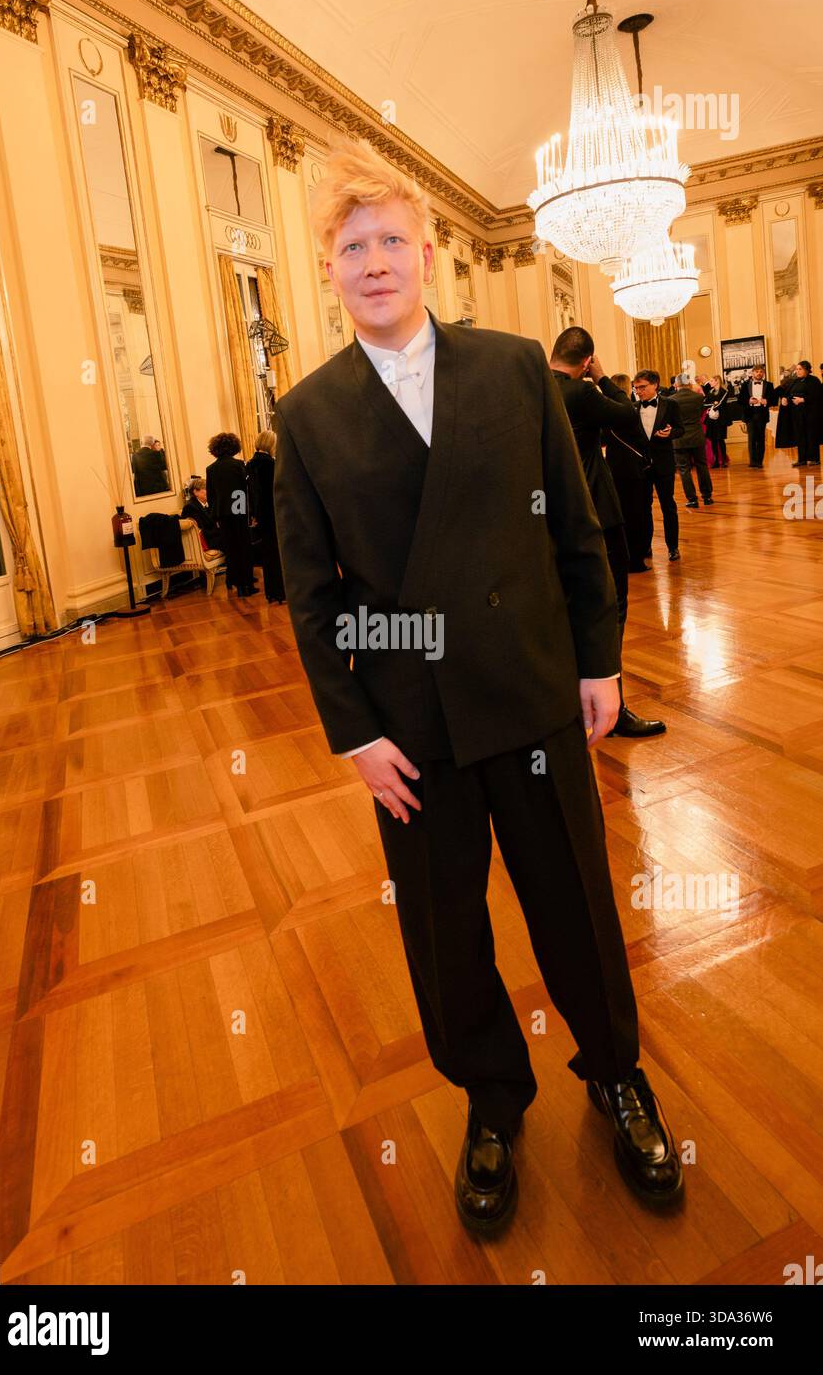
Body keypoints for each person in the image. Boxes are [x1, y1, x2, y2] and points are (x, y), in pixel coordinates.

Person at [272, 136, 682, 1235]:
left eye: (391, 239)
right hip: (412, 730)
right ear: (329, 269)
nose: (373, 260)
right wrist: (352, 734)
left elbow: (581, 531)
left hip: (533, 692)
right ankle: (492, 1100)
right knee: (444, 933)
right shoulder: (306, 416)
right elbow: (312, 598)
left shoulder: (509, 369)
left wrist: (598, 658)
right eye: (351, 245)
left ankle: (613, 1072)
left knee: (578, 907)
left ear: (428, 253)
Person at [550, 329, 666, 739]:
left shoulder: (535, 387)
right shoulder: (583, 393)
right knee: (610, 607)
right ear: (586, 360)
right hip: (594, 511)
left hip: (548, 517)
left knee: (564, 611)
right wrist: (600, 379)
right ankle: (612, 709)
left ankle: (570, 708)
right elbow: (630, 419)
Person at [632, 370, 683, 561]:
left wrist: (670, 433)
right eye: (636, 388)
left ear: (655, 385)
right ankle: (645, 546)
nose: (639, 391)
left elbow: (680, 429)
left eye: (642, 387)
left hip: (663, 463)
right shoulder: (633, 407)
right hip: (641, 465)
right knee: (643, 507)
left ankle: (673, 547)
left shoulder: (671, 404)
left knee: (668, 506)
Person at [604, 373, 653, 571]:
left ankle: (620, 557)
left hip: (614, 468)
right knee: (636, 515)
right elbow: (641, 440)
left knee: (620, 514)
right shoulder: (630, 411)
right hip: (633, 469)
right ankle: (636, 559)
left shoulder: (605, 412)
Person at [205, 431, 258, 597]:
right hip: (238, 509)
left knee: (231, 548)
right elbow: (244, 489)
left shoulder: (211, 469)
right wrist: (248, 512)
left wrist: (215, 517)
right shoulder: (238, 465)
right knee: (244, 547)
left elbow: (211, 494)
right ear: (233, 446)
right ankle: (246, 585)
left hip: (222, 513)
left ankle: (232, 580)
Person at [246, 429, 286, 604]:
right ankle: (280, 591)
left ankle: (271, 592)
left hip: (261, 516)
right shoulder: (271, 465)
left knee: (268, 555)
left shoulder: (249, 464)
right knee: (278, 554)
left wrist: (252, 515)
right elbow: (279, 491)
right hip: (274, 514)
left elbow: (248, 494)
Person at [672, 373, 714, 507]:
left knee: (684, 469)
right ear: (689, 384)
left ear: (676, 384)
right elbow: (702, 413)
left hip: (679, 438)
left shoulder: (671, 399)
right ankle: (707, 497)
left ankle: (692, 499)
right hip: (696, 435)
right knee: (702, 466)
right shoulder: (698, 397)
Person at [738, 365, 776, 469]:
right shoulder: (745, 385)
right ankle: (752, 461)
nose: (759, 373)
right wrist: (749, 401)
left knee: (760, 438)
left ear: (763, 373)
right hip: (750, 414)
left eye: (761, 372)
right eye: (757, 372)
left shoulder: (769, 385)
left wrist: (767, 401)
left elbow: (774, 400)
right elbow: (740, 400)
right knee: (751, 438)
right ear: (752, 373)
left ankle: (759, 461)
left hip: (762, 414)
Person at [790, 361, 822, 468]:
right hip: (798, 414)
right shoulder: (795, 381)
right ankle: (802, 459)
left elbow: (817, 396)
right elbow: (790, 393)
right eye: (797, 369)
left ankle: (814, 459)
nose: (797, 371)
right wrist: (787, 398)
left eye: (800, 369)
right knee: (800, 436)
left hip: (811, 413)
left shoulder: (814, 380)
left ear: (807, 370)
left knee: (811, 436)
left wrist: (802, 399)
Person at [181, 476, 224, 550]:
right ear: (195, 492)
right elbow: (203, 531)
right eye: (206, 489)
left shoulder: (210, 503)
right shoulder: (190, 507)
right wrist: (221, 530)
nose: (210, 491)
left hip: (216, 536)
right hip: (207, 540)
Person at [704, 374, 730, 467]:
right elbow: (704, 404)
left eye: (711, 381)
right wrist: (713, 404)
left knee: (720, 439)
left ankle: (723, 461)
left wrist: (714, 406)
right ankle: (715, 461)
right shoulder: (710, 392)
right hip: (711, 419)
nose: (709, 383)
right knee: (713, 440)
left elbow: (722, 403)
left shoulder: (724, 391)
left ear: (717, 381)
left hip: (721, 419)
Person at [776, 368, 797, 451]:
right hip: (792, 408)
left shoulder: (781, 387)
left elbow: (773, 394)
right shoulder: (794, 384)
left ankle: (790, 442)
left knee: (787, 427)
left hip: (786, 409)